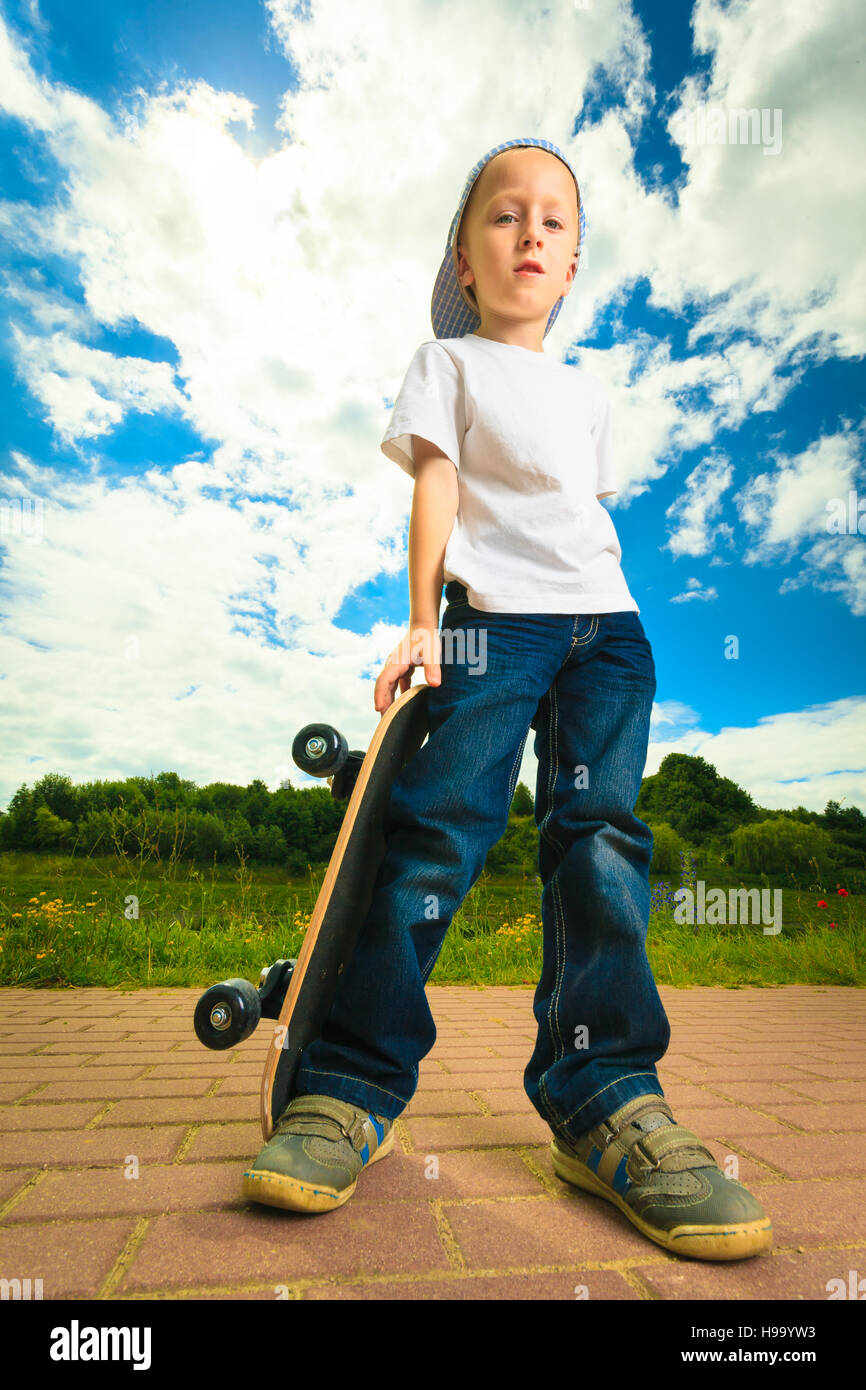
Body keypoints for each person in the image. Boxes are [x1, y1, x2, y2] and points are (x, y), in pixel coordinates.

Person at [243, 137, 773, 1263]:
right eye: (503, 216)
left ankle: (602, 1093)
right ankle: (347, 1084)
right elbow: (437, 483)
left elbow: (577, 516)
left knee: (598, 844)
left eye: (552, 222)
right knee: (437, 835)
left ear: (572, 263)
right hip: (493, 627)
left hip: (608, 638)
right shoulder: (449, 363)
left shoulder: (588, 395)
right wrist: (422, 619)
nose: (529, 233)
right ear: (465, 257)